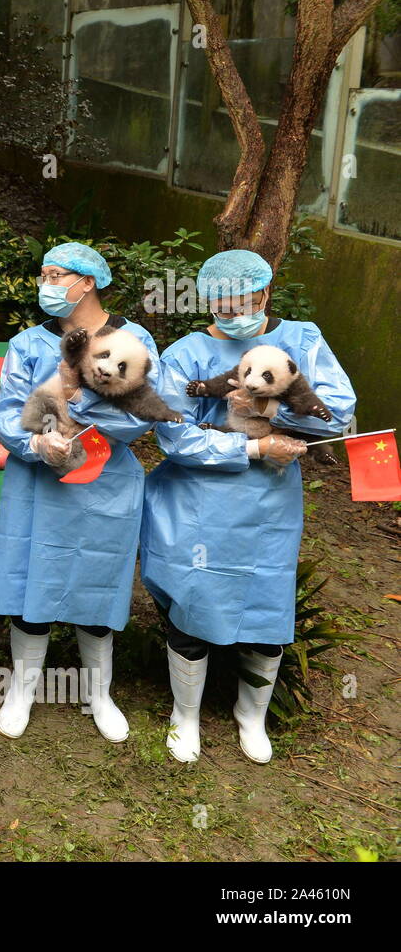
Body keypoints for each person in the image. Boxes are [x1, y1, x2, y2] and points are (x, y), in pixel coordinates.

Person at [141, 249, 356, 763]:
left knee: (266, 605)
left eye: (243, 299)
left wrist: (267, 408)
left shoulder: (302, 339)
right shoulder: (188, 352)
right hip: (197, 502)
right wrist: (253, 446)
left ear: (265, 292)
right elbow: (174, 435)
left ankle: (251, 717)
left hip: (268, 504)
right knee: (192, 603)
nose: (232, 309)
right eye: (221, 300)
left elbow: (337, 414)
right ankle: (185, 714)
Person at [0, 243, 158, 743]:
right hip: (38, 482)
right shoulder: (27, 344)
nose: (47, 283)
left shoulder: (132, 339)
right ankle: (21, 688)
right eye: (44, 273)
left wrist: (78, 421)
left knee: (98, 584)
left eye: (57, 274)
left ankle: (99, 692)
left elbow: (142, 414)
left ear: (87, 282)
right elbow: (6, 410)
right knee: (30, 581)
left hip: (105, 485)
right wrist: (35, 441)